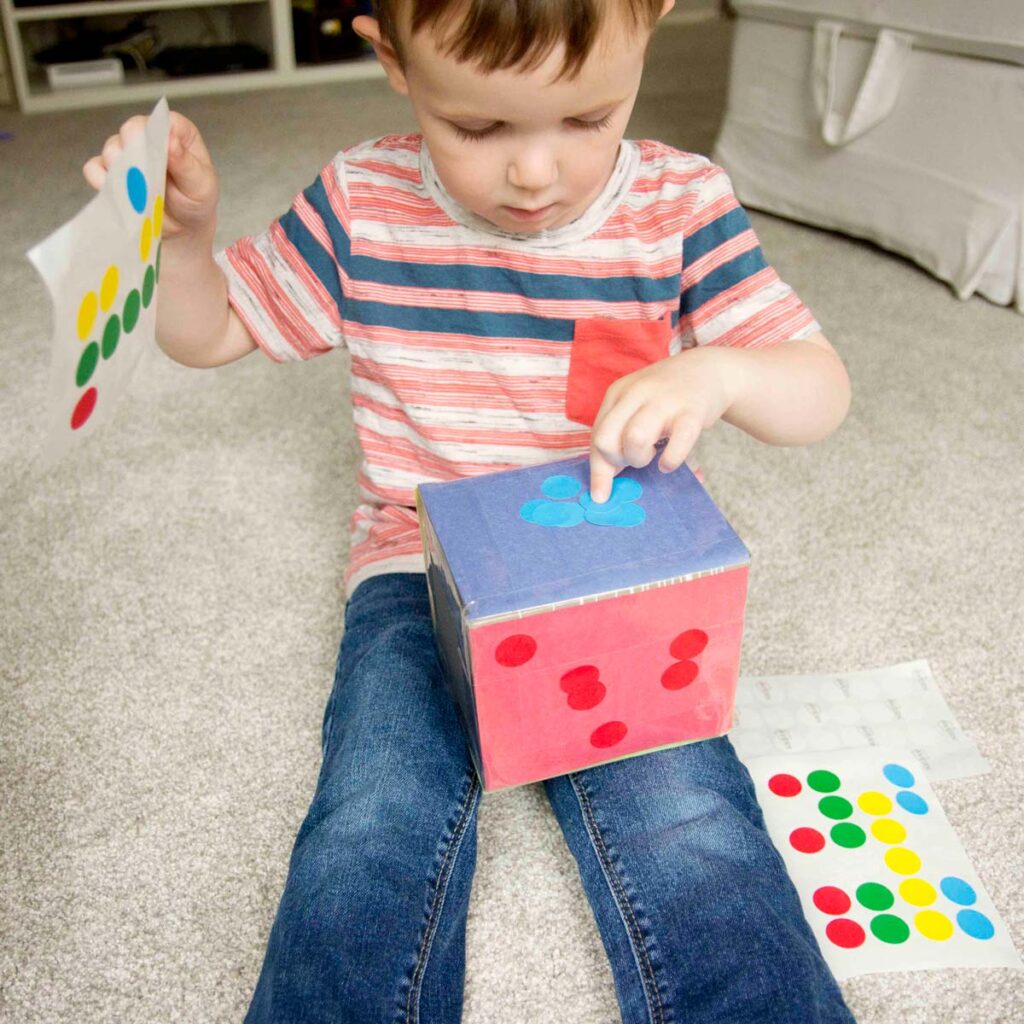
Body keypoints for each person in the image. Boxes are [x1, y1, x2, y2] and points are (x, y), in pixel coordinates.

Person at [84, 1, 855, 1020]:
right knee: (371, 811)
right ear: (392, 60)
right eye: (479, 128)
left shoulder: (680, 201)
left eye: (587, 118)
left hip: (609, 570)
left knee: (690, 822)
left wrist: (718, 372)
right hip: (419, 565)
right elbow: (214, 328)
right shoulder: (361, 199)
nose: (534, 173)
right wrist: (180, 245)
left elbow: (819, 390)